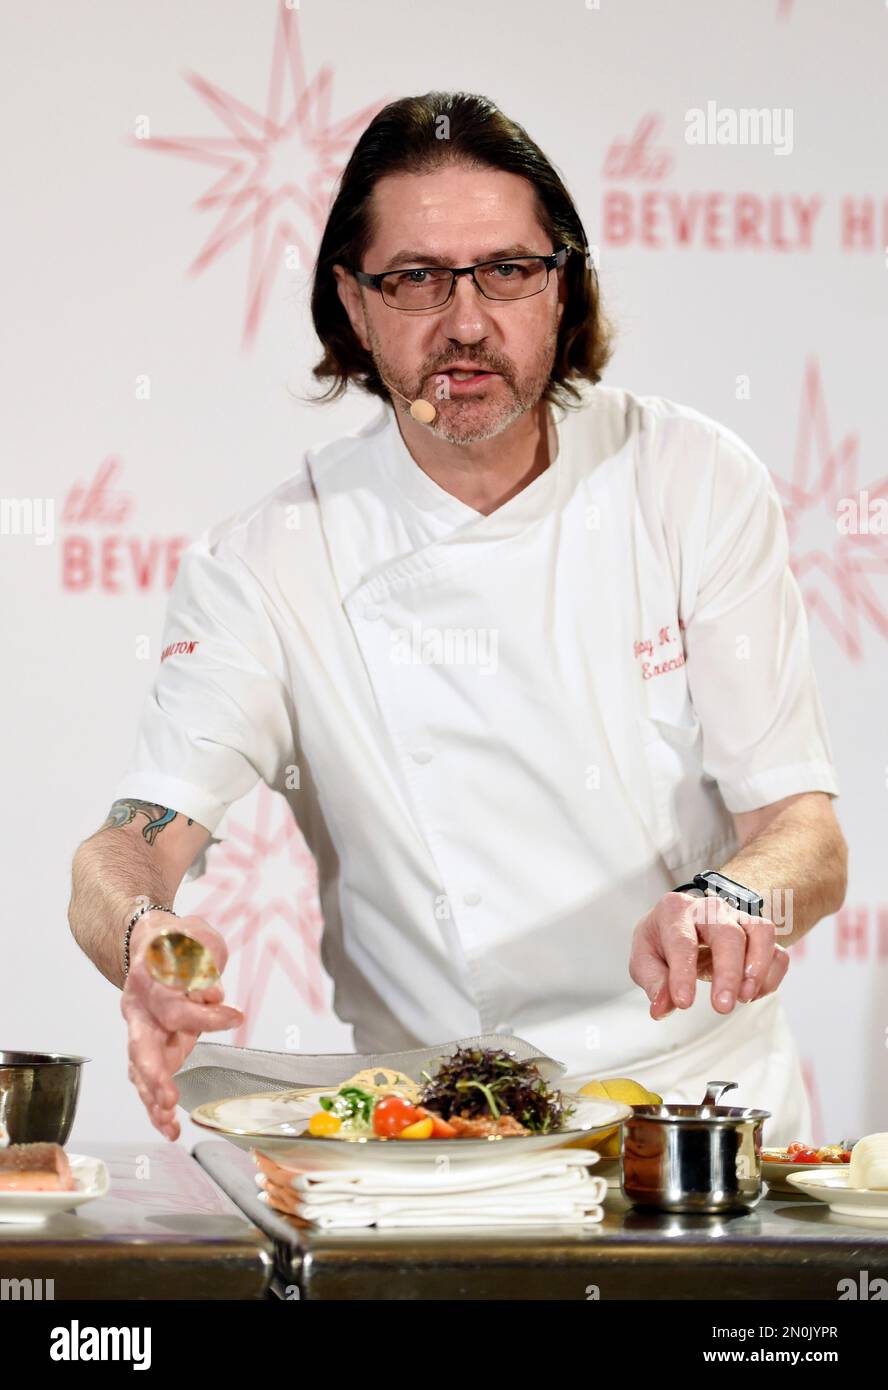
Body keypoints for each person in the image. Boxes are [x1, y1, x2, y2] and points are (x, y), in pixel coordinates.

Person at [68, 91, 847, 1144]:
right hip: (432, 1137)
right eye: (418, 279)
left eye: (508, 271)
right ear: (354, 303)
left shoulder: (691, 481)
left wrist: (737, 899)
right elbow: (125, 850)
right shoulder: (269, 562)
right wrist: (147, 937)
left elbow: (804, 835)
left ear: (563, 287)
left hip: (698, 1112)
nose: (467, 320)